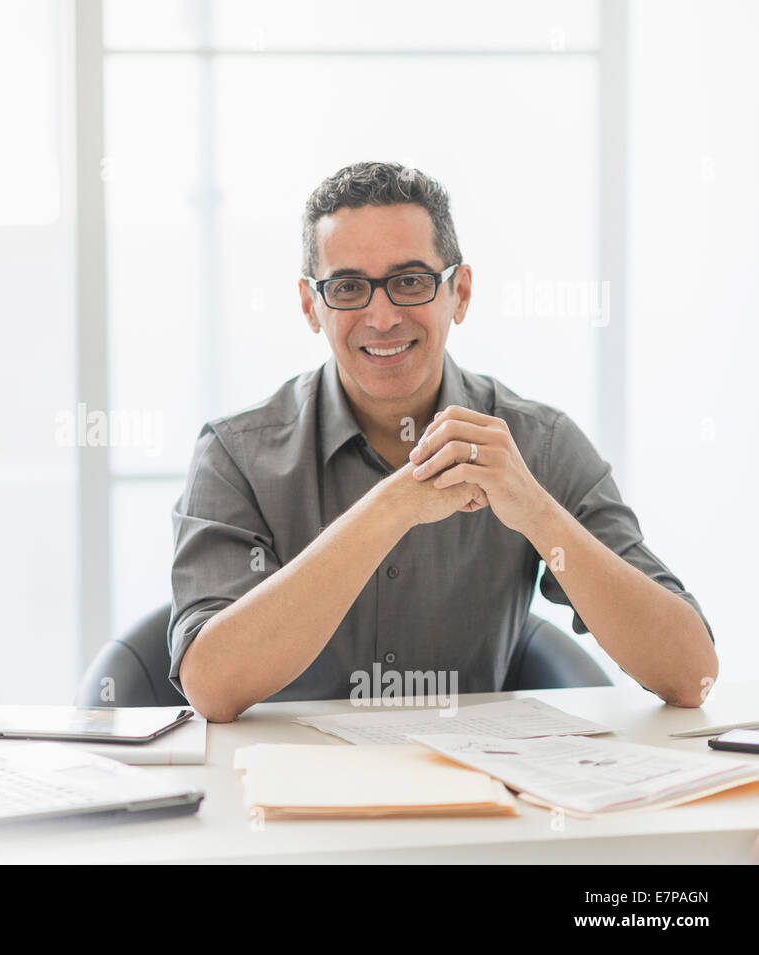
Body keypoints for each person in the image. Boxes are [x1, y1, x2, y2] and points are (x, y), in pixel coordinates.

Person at [169, 160, 716, 723]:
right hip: (285, 795)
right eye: (349, 287)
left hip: (479, 794)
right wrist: (393, 505)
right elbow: (212, 686)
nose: (381, 317)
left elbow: (690, 674)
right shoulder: (234, 453)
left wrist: (535, 511)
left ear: (460, 292)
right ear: (312, 306)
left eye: (410, 281)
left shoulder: (539, 443)